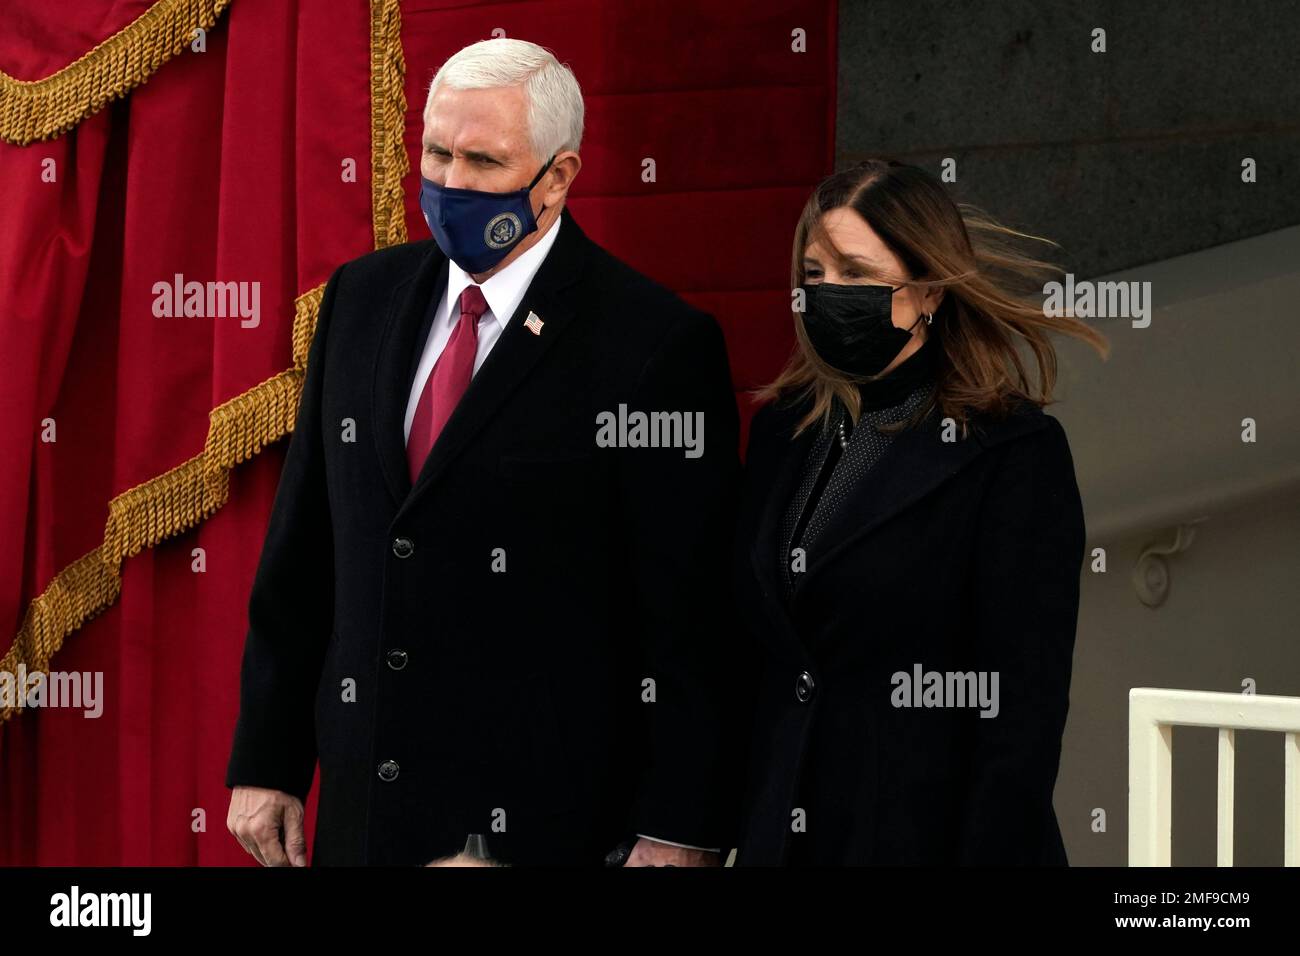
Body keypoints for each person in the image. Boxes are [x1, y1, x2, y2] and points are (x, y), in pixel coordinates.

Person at [225, 38, 739, 867]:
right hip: (366, 815)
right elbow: (308, 547)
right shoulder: (359, 299)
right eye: (436, 152)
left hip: (546, 817)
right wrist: (268, 760)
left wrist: (678, 825)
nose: (451, 183)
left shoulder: (653, 344)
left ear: (560, 176)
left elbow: (690, 613)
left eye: (484, 161)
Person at [733, 159, 1108, 865]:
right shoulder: (785, 431)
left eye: (855, 274)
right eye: (813, 275)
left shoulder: (1010, 453)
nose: (827, 294)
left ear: (929, 291)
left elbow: (1019, 713)